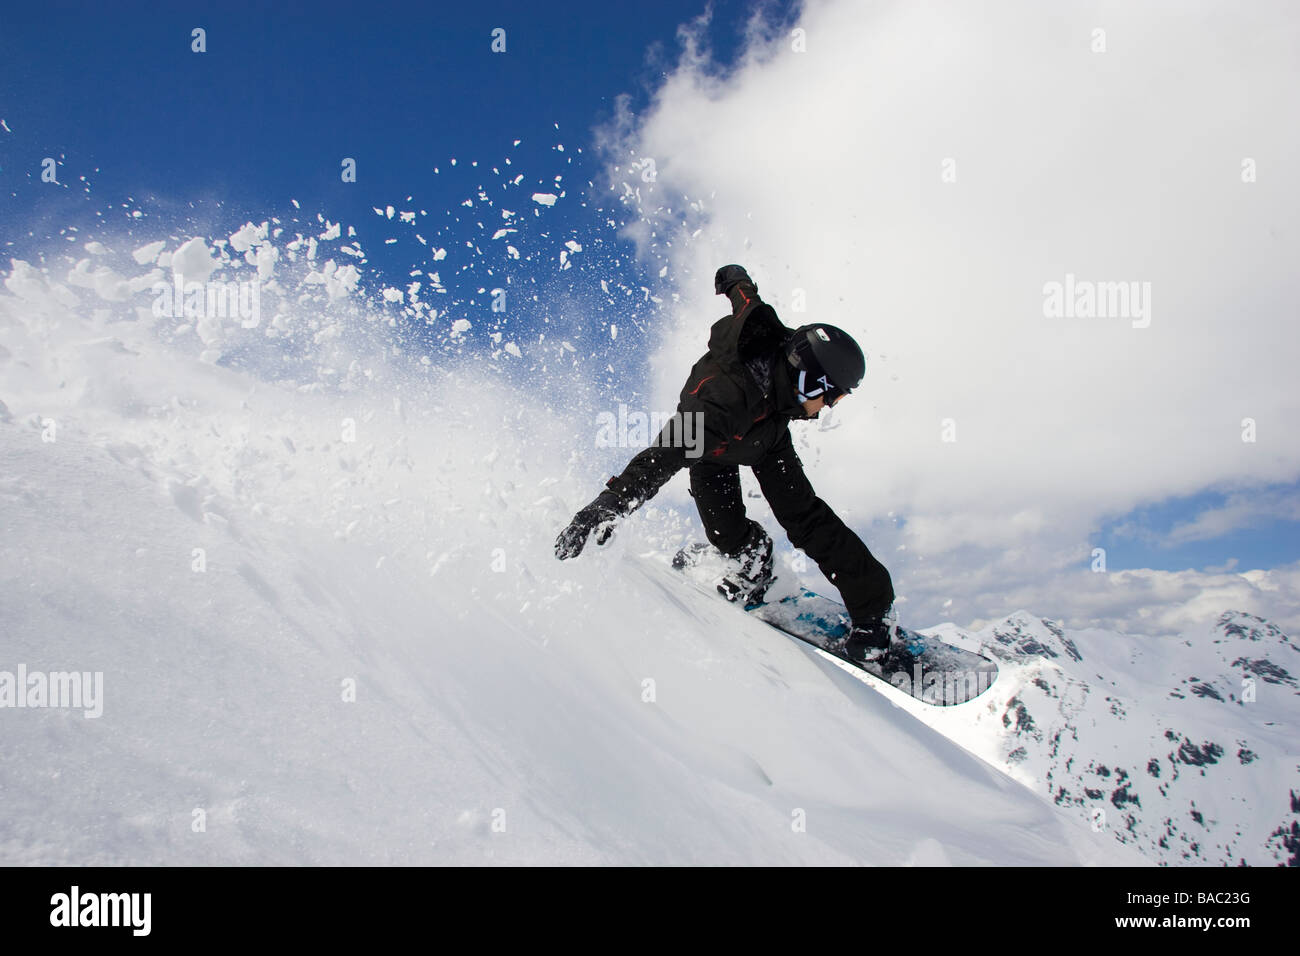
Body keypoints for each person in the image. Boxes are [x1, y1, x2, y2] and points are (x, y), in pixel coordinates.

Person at [555, 265, 897, 662]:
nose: (829, 408)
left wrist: (731, 278)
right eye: (832, 397)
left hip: (766, 438)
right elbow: (662, 457)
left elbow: (745, 297)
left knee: (804, 516)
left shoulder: (781, 358)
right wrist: (609, 504)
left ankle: (874, 607)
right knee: (726, 531)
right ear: (809, 381)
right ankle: (754, 562)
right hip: (713, 447)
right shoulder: (720, 403)